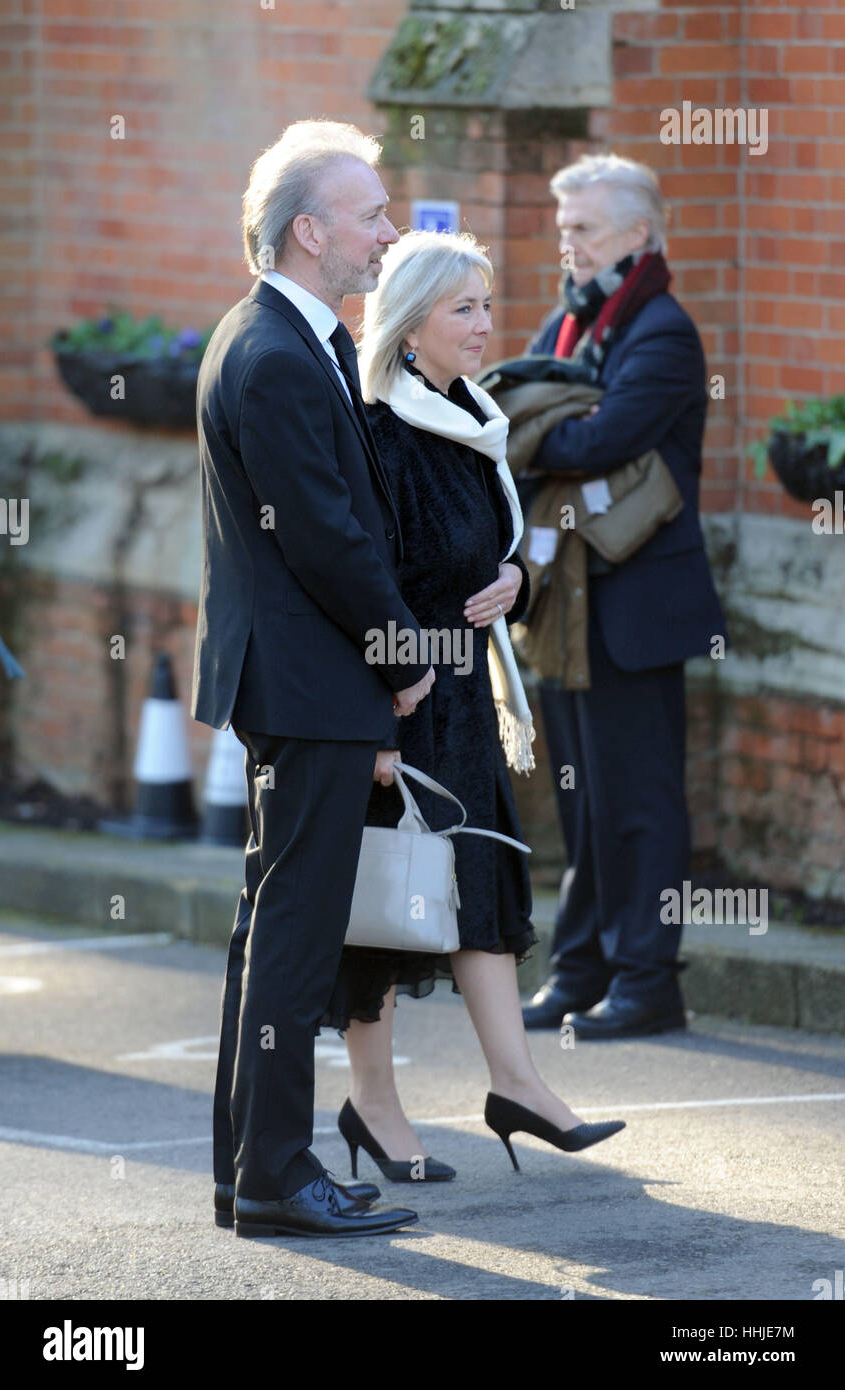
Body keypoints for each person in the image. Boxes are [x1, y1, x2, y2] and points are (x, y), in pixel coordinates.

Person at [317, 230, 625, 1179]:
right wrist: (375, 725)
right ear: (410, 327)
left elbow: (495, 558)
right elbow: (355, 583)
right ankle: (371, 1105)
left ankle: (518, 1084)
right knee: (385, 905)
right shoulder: (377, 430)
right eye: (465, 309)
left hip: (463, 699)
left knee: (481, 891)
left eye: (488, 305)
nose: (488, 325)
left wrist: (513, 585)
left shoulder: (471, 418)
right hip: (399, 702)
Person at [192, 120, 436, 1238]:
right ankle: (280, 1175)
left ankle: (250, 1166)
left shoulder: (285, 337)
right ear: (309, 229)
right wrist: (403, 654)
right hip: (309, 683)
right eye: (373, 213)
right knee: (294, 935)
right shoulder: (276, 352)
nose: (389, 232)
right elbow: (330, 540)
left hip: (296, 681)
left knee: (275, 928)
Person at [519, 154, 728, 1040]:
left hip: (636, 608)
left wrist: (532, 427)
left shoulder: (664, 332)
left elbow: (596, 439)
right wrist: (533, 421)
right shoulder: (574, 321)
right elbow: (516, 401)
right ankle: (581, 970)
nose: (566, 244)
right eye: (563, 228)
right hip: (570, 598)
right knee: (584, 798)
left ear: (638, 234)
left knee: (640, 802)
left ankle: (649, 982)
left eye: (584, 229)